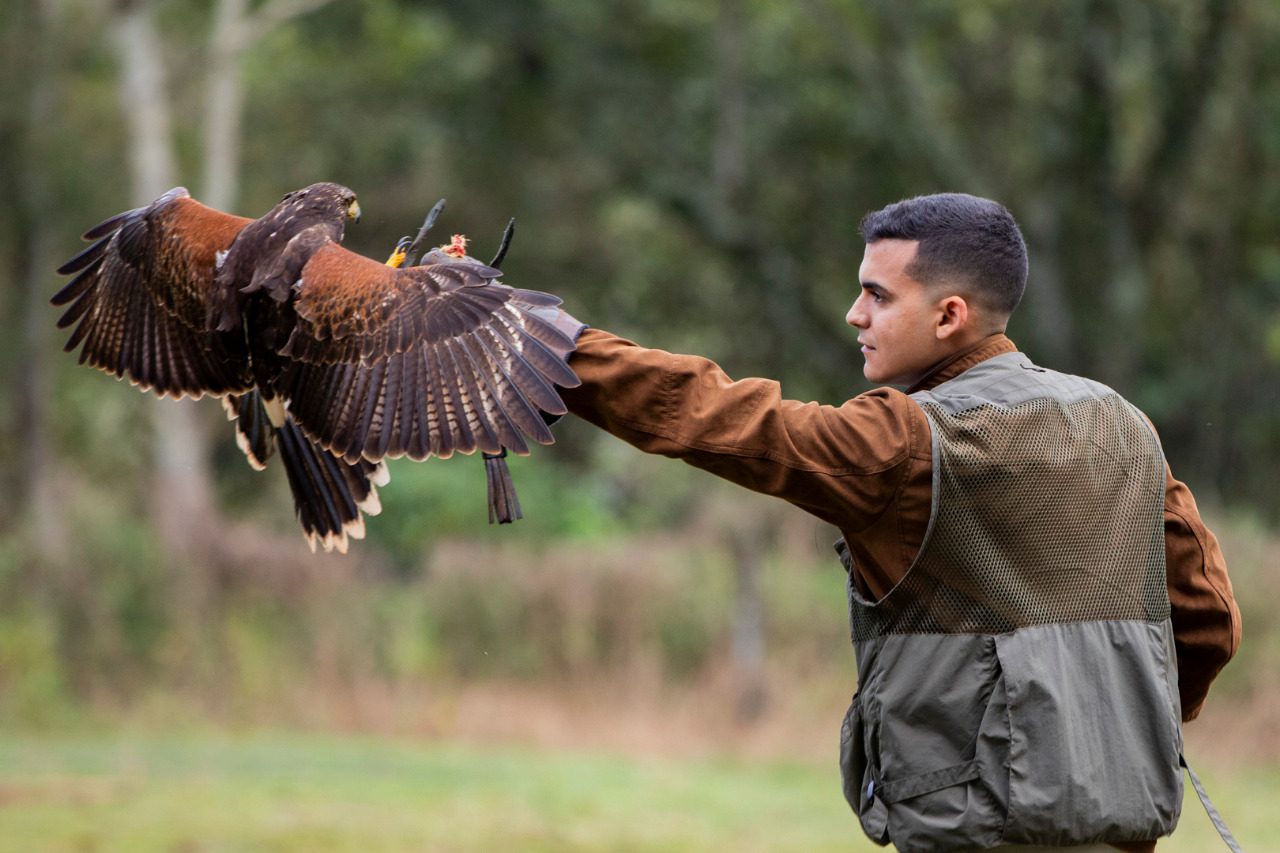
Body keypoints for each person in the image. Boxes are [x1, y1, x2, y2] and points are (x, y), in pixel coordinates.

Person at [559, 193, 1240, 852]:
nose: (854, 314)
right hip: (1123, 826)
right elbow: (1209, 620)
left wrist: (556, 350)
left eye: (877, 295)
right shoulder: (1121, 423)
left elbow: (725, 419)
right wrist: (1112, 736)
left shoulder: (906, 439)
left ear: (949, 315)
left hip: (983, 831)